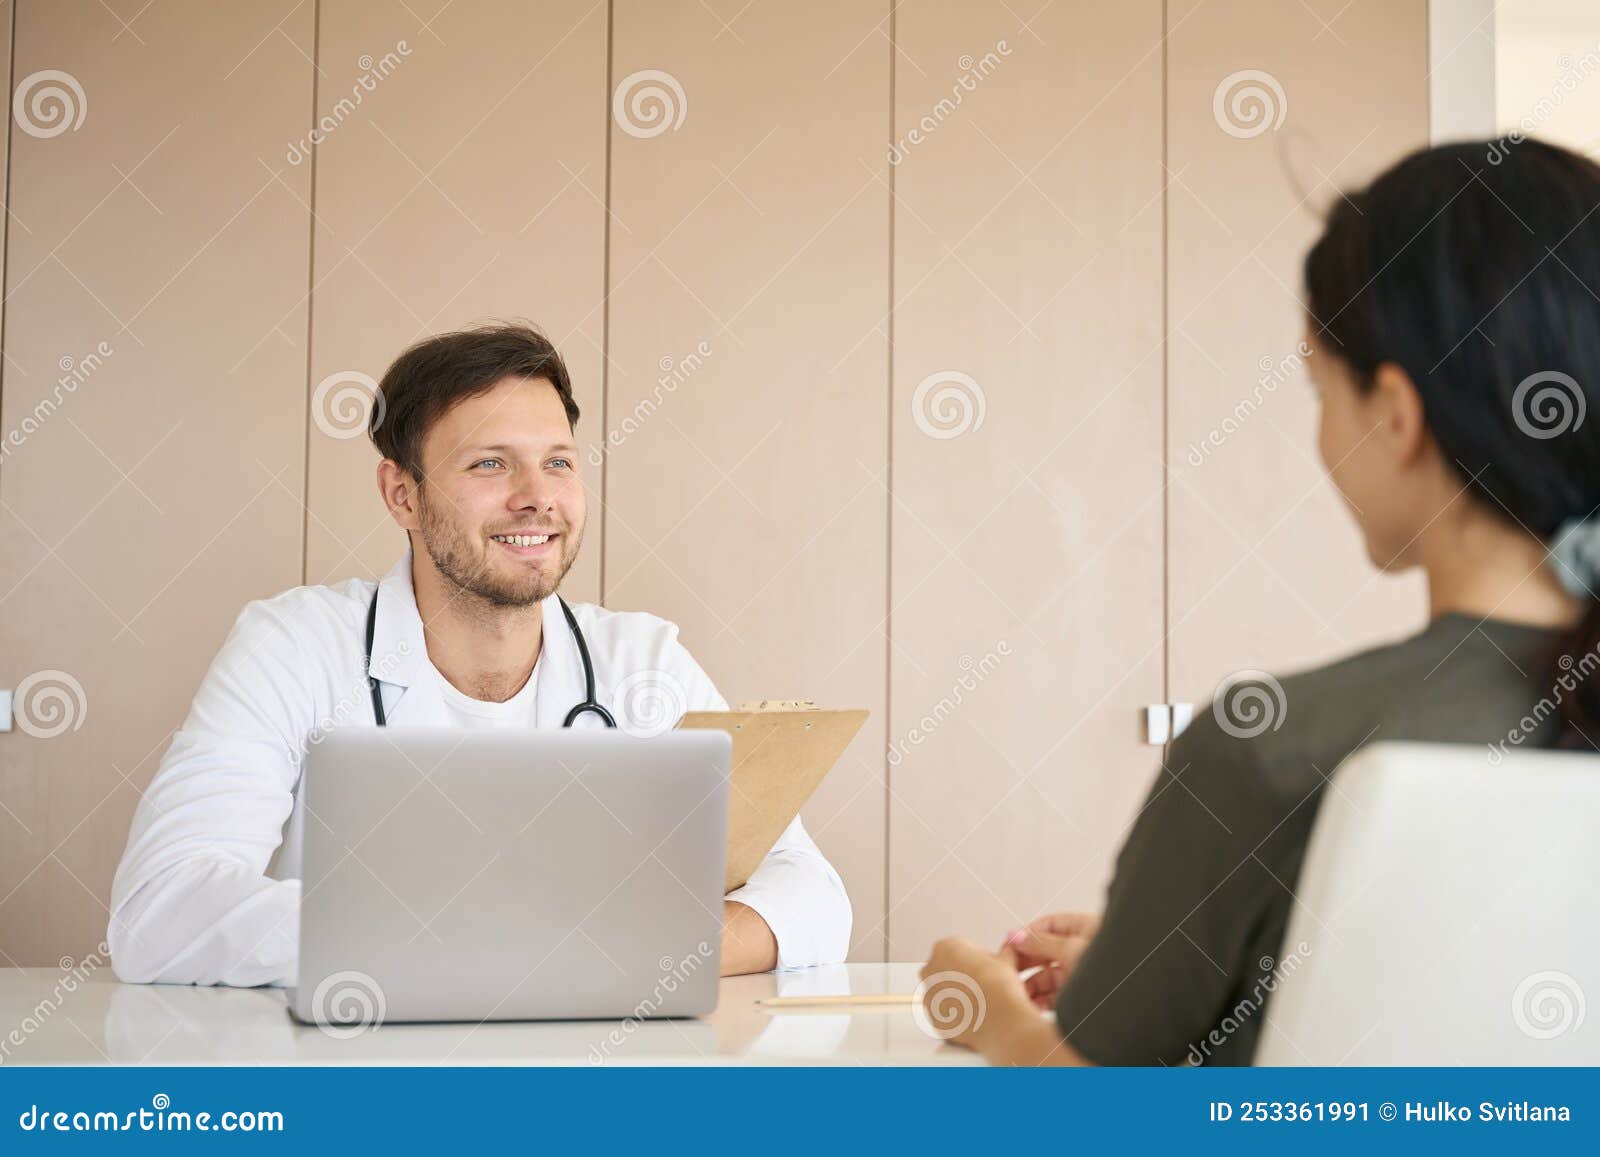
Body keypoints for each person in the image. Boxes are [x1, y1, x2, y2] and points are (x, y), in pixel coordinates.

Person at [921, 137, 1600, 1065]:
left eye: (1322, 388)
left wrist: (987, 1007)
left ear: (1397, 417)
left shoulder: (1268, 751)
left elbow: (1079, 1110)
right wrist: (1183, 969)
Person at [108, 323, 850, 986]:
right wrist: (504, 939)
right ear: (401, 494)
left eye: (558, 463)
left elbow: (811, 893)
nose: (537, 497)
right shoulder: (294, 646)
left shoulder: (641, 659)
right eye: (490, 465)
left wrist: (658, 947)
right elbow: (161, 911)